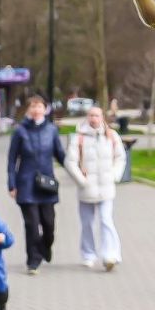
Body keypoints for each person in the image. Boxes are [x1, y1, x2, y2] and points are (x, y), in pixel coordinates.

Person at [7, 95, 65, 274]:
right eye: (32, 106)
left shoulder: (51, 130)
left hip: (46, 184)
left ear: (45, 109)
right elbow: (11, 160)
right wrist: (12, 184)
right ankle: (33, 260)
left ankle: (45, 246)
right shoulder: (20, 131)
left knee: (49, 224)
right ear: (28, 110)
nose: (36, 109)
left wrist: (78, 169)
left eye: (39, 106)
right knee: (32, 224)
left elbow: (60, 155)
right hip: (26, 184)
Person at [65, 106, 126, 271]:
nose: (94, 119)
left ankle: (110, 255)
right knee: (87, 223)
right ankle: (88, 254)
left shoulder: (111, 136)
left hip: (106, 188)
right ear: (87, 117)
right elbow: (70, 162)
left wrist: (114, 175)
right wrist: (81, 180)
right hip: (86, 189)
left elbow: (120, 157)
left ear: (102, 117)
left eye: (97, 115)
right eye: (91, 115)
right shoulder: (78, 138)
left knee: (106, 220)